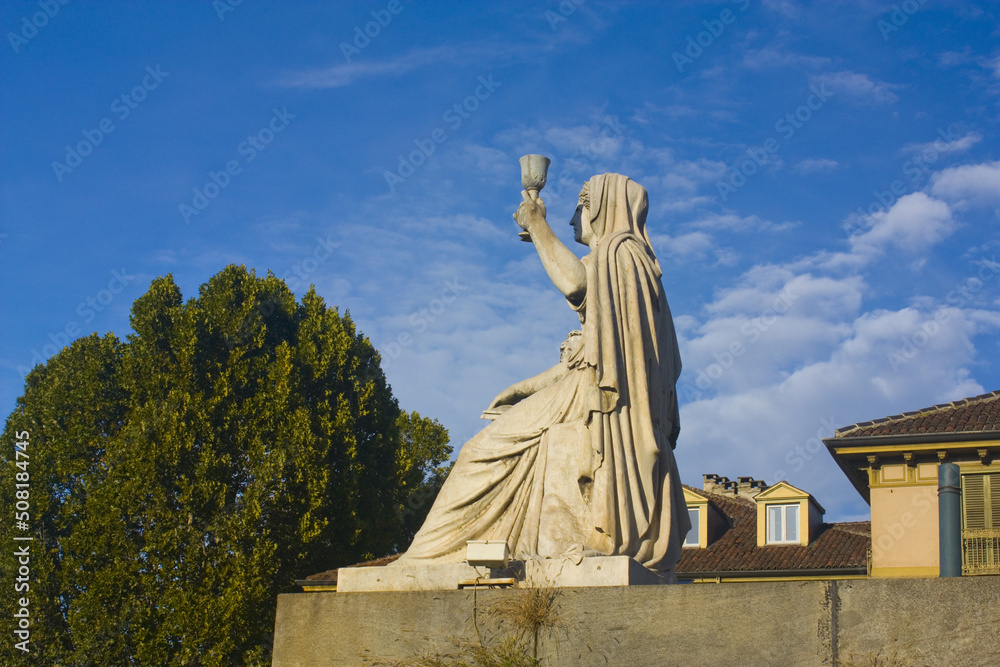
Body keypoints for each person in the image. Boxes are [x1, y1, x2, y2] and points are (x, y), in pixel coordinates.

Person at [396, 173, 689, 574]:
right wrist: (521, 389)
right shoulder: (637, 266)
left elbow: (576, 284)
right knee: (507, 446)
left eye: (579, 207)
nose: (572, 219)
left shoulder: (620, 253)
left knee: (480, 451)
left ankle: (426, 558)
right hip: (585, 387)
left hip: (592, 393)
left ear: (600, 209)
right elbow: (584, 357)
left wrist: (537, 224)